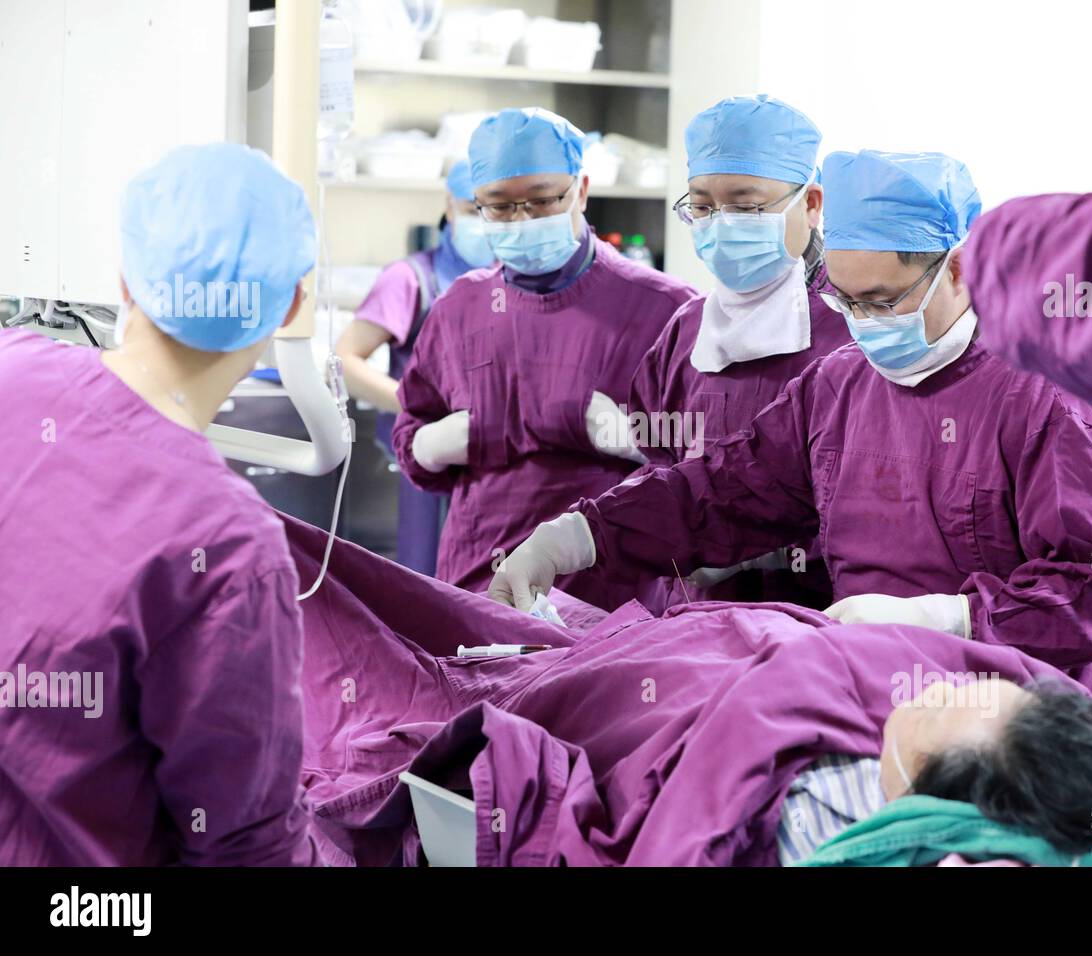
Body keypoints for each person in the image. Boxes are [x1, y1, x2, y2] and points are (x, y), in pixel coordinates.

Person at [489, 149, 1092, 679]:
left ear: (961, 270)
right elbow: (720, 494)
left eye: (883, 302)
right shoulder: (837, 386)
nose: (863, 326)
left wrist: (949, 619)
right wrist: (577, 537)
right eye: (848, 304)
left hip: (1003, 713)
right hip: (854, 687)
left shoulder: (1048, 398)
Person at [0, 143, 320, 865]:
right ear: (294, 302)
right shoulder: (230, 542)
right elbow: (244, 839)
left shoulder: (10, 368)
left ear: (127, 280)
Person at [392, 108, 696, 608]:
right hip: (478, 586)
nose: (522, 220)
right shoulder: (461, 309)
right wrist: (430, 444)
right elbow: (411, 433)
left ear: (581, 189)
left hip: (612, 593)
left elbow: (710, 456)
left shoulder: (662, 306)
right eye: (499, 207)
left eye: (540, 201)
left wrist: (639, 440)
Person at [624, 94, 850, 610]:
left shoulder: (853, 335)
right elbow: (657, 467)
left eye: (746, 207)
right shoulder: (685, 331)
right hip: (692, 619)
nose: (721, 224)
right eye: (702, 206)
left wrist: (760, 548)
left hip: (816, 625)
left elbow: (884, 502)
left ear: (811, 205)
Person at [777, 677, 1092, 864]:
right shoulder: (999, 726)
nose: (935, 687)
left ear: (922, 804)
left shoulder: (812, 821)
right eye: (963, 687)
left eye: (933, 713)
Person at [335, 159, 494, 576]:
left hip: (494, 461)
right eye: (470, 207)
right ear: (448, 204)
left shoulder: (511, 279)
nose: (482, 220)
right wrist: (417, 410)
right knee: (423, 578)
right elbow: (345, 360)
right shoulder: (410, 279)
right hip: (423, 460)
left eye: (493, 208)